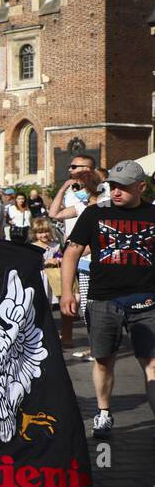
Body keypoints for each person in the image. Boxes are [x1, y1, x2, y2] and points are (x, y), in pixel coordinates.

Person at [60, 160, 155, 439]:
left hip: (147, 300)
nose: (115, 192)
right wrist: (67, 291)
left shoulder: (153, 214)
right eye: (112, 185)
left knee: (151, 363)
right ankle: (103, 412)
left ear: (141, 187)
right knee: (103, 360)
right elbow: (72, 252)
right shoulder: (94, 214)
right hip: (103, 299)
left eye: (123, 187)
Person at [48, 153, 100, 350]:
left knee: (97, 304)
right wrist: (63, 187)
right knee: (76, 300)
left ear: (88, 169)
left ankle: (99, 344)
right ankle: (84, 341)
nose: (70, 170)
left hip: (92, 256)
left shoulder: (103, 196)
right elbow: (54, 213)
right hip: (77, 255)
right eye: (70, 166)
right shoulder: (76, 196)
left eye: (75, 166)